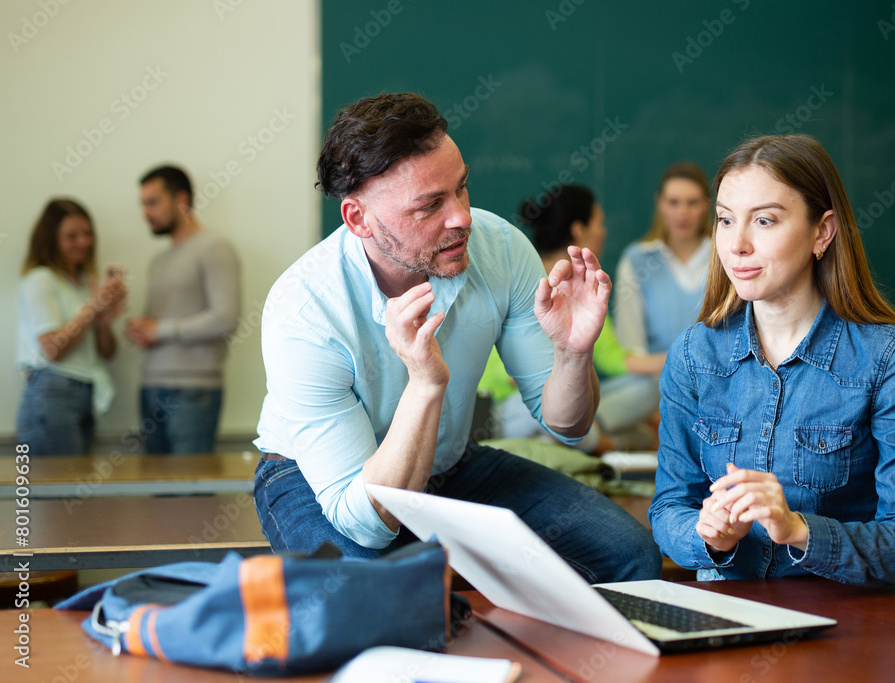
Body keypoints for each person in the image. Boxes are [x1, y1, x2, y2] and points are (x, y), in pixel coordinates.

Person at [253, 93, 661, 584]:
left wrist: (573, 355)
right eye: (429, 206)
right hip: (322, 481)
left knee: (630, 555)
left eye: (461, 188)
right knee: (389, 599)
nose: (462, 217)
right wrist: (424, 383)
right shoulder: (304, 310)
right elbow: (368, 522)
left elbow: (568, 427)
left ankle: (545, 659)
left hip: (448, 462)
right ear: (358, 219)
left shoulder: (502, 247)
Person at [648, 134, 895, 587]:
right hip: (726, 616)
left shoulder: (889, 360)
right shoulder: (693, 354)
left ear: (822, 232)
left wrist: (799, 531)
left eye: (764, 221)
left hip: (838, 627)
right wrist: (706, 536)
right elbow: (670, 508)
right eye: (725, 220)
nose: (737, 245)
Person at [479, 184, 664, 453]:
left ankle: (575, 440)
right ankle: (601, 443)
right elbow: (510, 375)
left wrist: (676, 359)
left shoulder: (585, 287)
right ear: (579, 230)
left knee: (648, 387)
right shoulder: (519, 280)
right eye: (599, 223)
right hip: (511, 406)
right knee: (542, 404)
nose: (604, 231)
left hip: (568, 407)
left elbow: (612, 358)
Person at [126, 166, 240, 454]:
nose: (145, 212)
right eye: (143, 204)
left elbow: (226, 317)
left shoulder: (214, 247)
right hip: (151, 386)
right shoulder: (159, 260)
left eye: (152, 202)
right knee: (157, 491)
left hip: (193, 391)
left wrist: (159, 330)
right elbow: (159, 326)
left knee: (189, 492)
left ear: (181, 200)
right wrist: (139, 329)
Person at [16, 199, 127, 455]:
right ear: (51, 239)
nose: (83, 242)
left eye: (87, 234)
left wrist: (103, 323)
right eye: (71, 236)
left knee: (74, 490)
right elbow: (53, 349)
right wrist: (93, 307)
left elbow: (108, 353)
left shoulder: (80, 284)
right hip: (53, 393)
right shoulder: (40, 280)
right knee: (59, 490)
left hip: (81, 393)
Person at [614, 162, 713, 354]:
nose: (683, 213)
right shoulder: (636, 260)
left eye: (692, 203)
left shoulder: (726, 256)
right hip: (655, 381)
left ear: (705, 205)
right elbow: (633, 348)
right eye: (673, 202)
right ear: (660, 203)